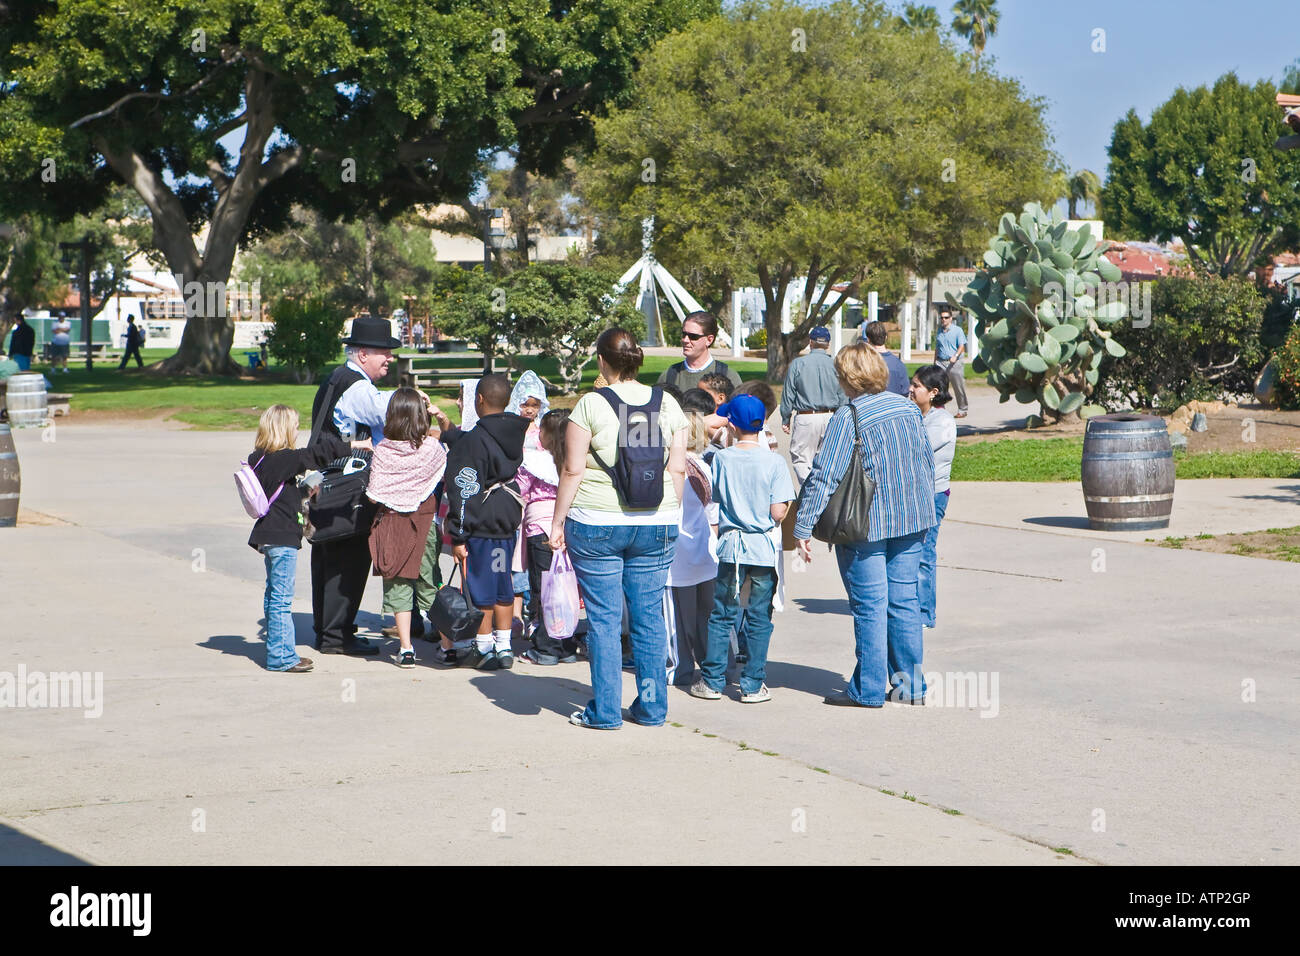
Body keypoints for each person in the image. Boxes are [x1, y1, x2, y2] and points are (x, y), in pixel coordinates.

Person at [552, 327, 688, 730]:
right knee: (649, 618)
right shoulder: (668, 404)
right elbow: (677, 468)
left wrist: (557, 522)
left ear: (601, 361)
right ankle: (650, 708)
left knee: (605, 618)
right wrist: (669, 512)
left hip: (597, 522)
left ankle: (607, 710)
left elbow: (572, 468)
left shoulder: (590, 405)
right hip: (658, 522)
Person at [793, 343, 936, 708]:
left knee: (870, 605)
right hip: (912, 518)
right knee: (904, 602)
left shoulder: (850, 415)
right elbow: (924, 462)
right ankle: (910, 687)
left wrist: (802, 527)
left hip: (866, 525)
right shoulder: (907, 408)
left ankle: (868, 689)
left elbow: (825, 475)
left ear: (846, 377)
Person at [690, 395, 794, 704]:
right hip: (761, 548)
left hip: (731, 546)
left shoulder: (722, 458)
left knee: (723, 614)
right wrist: (785, 507)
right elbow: (777, 512)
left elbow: (718, 495)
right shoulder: (774, 461)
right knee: (760, 616)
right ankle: (752, 684)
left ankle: (712, 681)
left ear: (731, 425)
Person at [309, 315, 400, 657]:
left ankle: (329, 630)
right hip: (349, 487)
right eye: (383, 352)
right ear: (363, 354)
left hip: (327, 482)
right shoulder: (358, 387)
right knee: (349, 559)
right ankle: (337, 635)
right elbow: (388, 415)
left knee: (328, 557)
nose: (389, 358)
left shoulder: (336, 377)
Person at [246, 405, 353, 673]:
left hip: (267, 534)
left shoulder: (259, 458)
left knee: (273, 597)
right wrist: (354, 446)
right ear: (283, 428)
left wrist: (304, 488)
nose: (297, 429)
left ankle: (277, 650)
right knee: (282, 600)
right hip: (282, 538)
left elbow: (280, 493)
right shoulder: (283, 458)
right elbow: (317, 454)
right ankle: (281, 658)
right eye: (294, 424)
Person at [444, 373, 531, 670]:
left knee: (480, 588)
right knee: (502, 583)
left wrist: (457, 535)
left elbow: (462, 491)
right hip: (506, 519)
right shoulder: (514, 432)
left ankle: (482, 649)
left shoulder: (475, 439)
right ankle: (504, 646)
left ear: (479, 399)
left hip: (480, 522)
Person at [366, 388, 448, 668]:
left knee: (398, 582)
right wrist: (439, 419)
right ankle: (447, 646)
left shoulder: (383, 451)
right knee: (429, 581)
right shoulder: (431, 449)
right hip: (424, 519)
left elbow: (374, 493)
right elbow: (445, 460)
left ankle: (405, 648)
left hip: (391, 521)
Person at [518, 409, 578, 665]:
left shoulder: (534, 462)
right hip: (569, 529)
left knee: (543, 588)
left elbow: (520, 490)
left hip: (540, 529)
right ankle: (566, 643)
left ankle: (546, 646)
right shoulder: (575, 461)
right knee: (566, 585)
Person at [666, 411, 719, 687]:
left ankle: (680, 668)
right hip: (706, 551)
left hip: (677, 556)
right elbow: (713, 515)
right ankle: (718, 665)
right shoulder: (706, 467)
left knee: (676, 620)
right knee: (708, 617)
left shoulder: (671, 468)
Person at [910, 365, 956, 630]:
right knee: (912, 552)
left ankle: (925, 613)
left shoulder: (943, 423)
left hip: (933, 495)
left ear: (934, 392)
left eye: (917, 386)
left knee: (925, 553)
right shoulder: (916, 415)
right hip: (915, 494)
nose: (911, 390)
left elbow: (915, 450)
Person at [779, 325, 847, 489]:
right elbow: (843, 395)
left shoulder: (798, 364)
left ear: (810, 342)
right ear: (828, 344)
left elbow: (789, 393)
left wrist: (786, 417)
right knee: (827, 460)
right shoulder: (836, 366)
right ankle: (822, 492)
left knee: (802, 459)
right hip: (831, 416)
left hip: (806, 416)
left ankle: (810, 491)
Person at [657, 311, 742, 393]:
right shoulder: (668, 376)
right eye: (684, 334)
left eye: (693, 336)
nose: (685, 340)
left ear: (709, 340)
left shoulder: (729, 376)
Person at [935, 308, 969, 418]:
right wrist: (934, 361)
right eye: (942, 318)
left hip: (954, 363)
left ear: (950, 318)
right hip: (940, 362)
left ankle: (962, 409)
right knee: (939, 386)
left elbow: (961, 346)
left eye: (946, 317)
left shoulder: (957, 330)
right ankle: (940, 408)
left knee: (958, 387)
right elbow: (938, 347)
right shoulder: (939, 331)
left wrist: (955, 356)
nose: (943, 320)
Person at [862, 322, 909, 397]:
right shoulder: (899, 365)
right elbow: (905, 392)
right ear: (886, 337)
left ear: (868, 339)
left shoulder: (864, 364)